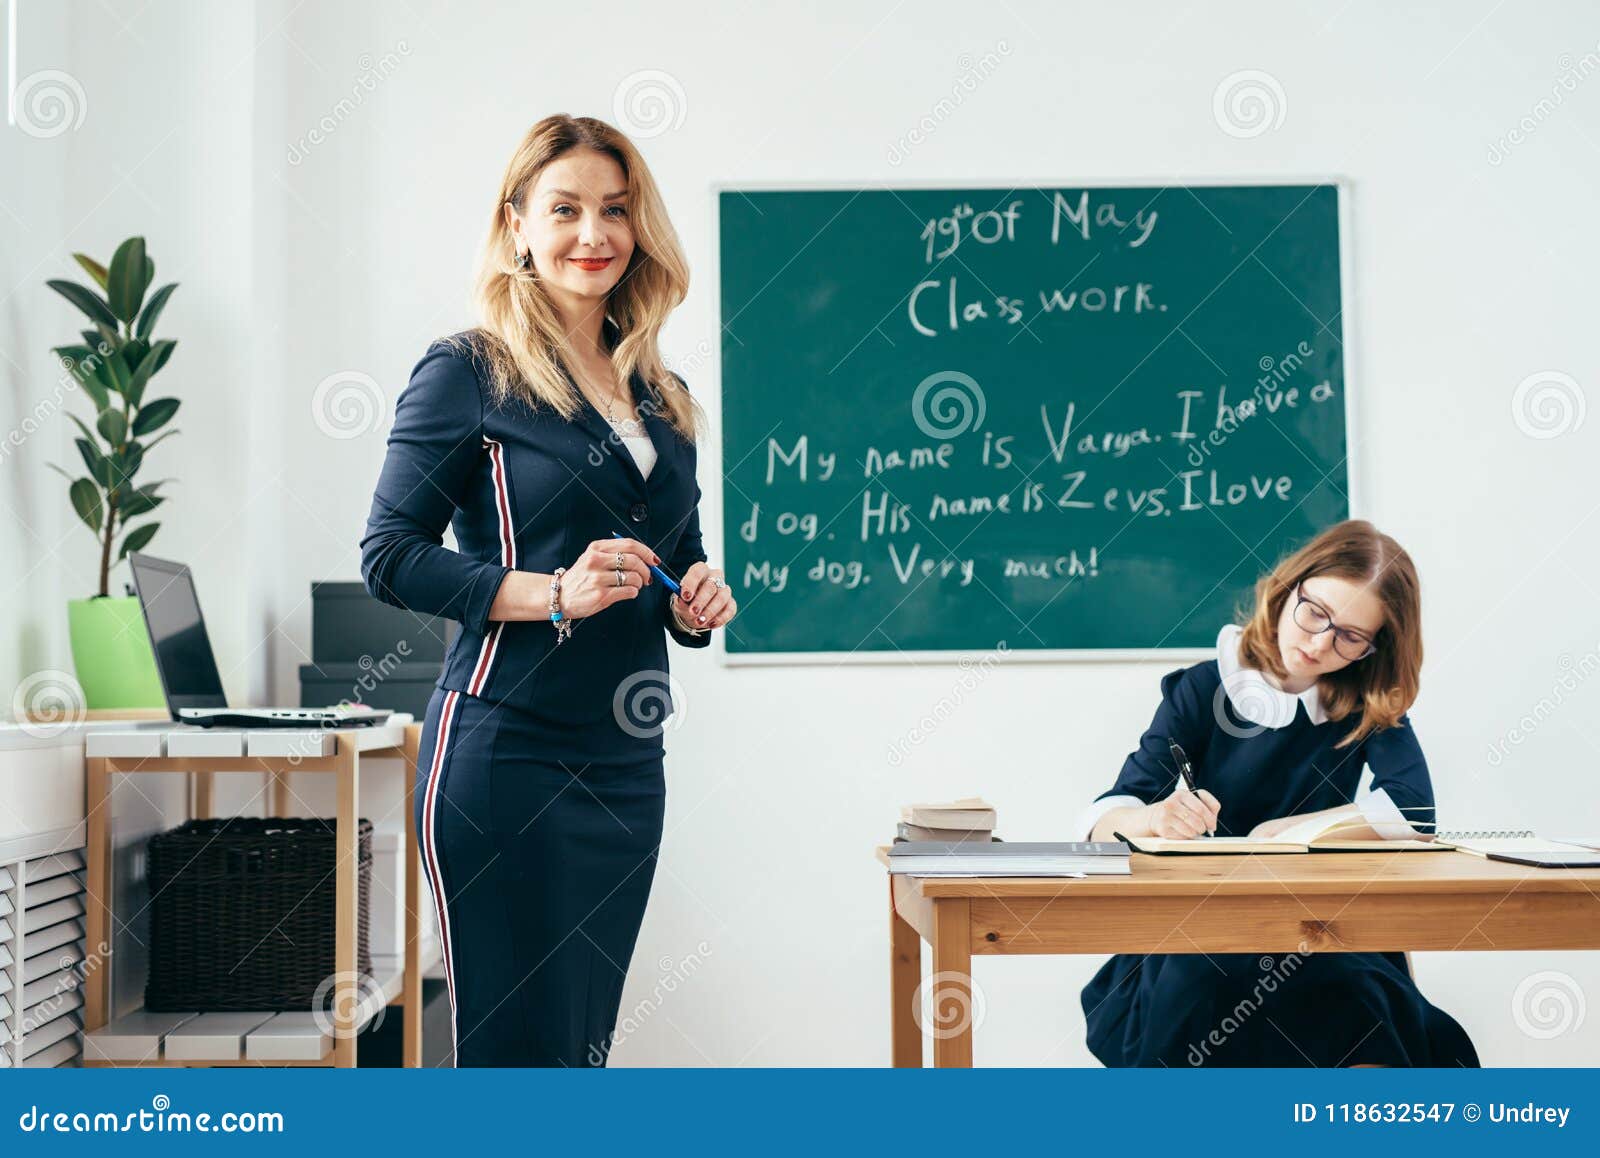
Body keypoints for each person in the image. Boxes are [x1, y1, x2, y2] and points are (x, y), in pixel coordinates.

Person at [360, 114, 737, 1067]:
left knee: (579, 1051)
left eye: (616, 210)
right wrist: (554, 594)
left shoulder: (662, 392)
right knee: (513, 1053)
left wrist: (693, 597)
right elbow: (391, 553)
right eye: (565, 209)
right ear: (517, 223)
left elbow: (670, 551)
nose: (593, 234)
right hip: (504, 750)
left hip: (624, 760)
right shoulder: (467, 372)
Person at [1075, 519, 1478, 1067]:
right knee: (1199, 998)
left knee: (1360, 1004)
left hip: (1317, 928)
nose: (1318, 644)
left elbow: (1414, 810)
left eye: (1350, 637)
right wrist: (1154, 820)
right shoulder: (1206, 686)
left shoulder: (1366, 703)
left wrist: (1286, 833)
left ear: (1373, 646)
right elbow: (1105, 816)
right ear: (1288, 589)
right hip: (1205, 927)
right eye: (1315, 613)